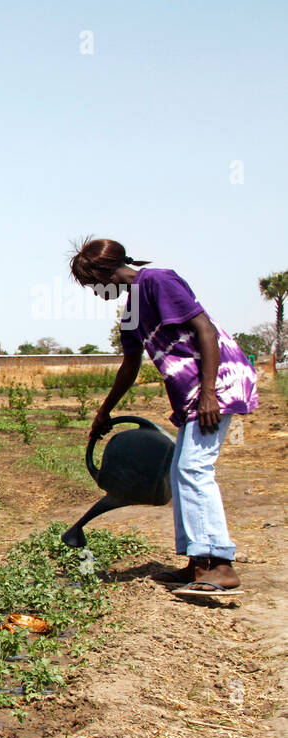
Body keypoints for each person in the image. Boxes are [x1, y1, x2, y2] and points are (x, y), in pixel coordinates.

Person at [70, 238, 258, 597]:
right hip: (193, 393)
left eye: (92, 284)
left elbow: (207, 330)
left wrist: (208, 393)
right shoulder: (132, 310)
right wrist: (103, 412)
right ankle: (197, 564)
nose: (94, 293)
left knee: (194, 468)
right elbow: (130, 366)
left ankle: (220, 565)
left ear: (103, 272)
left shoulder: (156, 281)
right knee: (180, 470)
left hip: (217, 383)